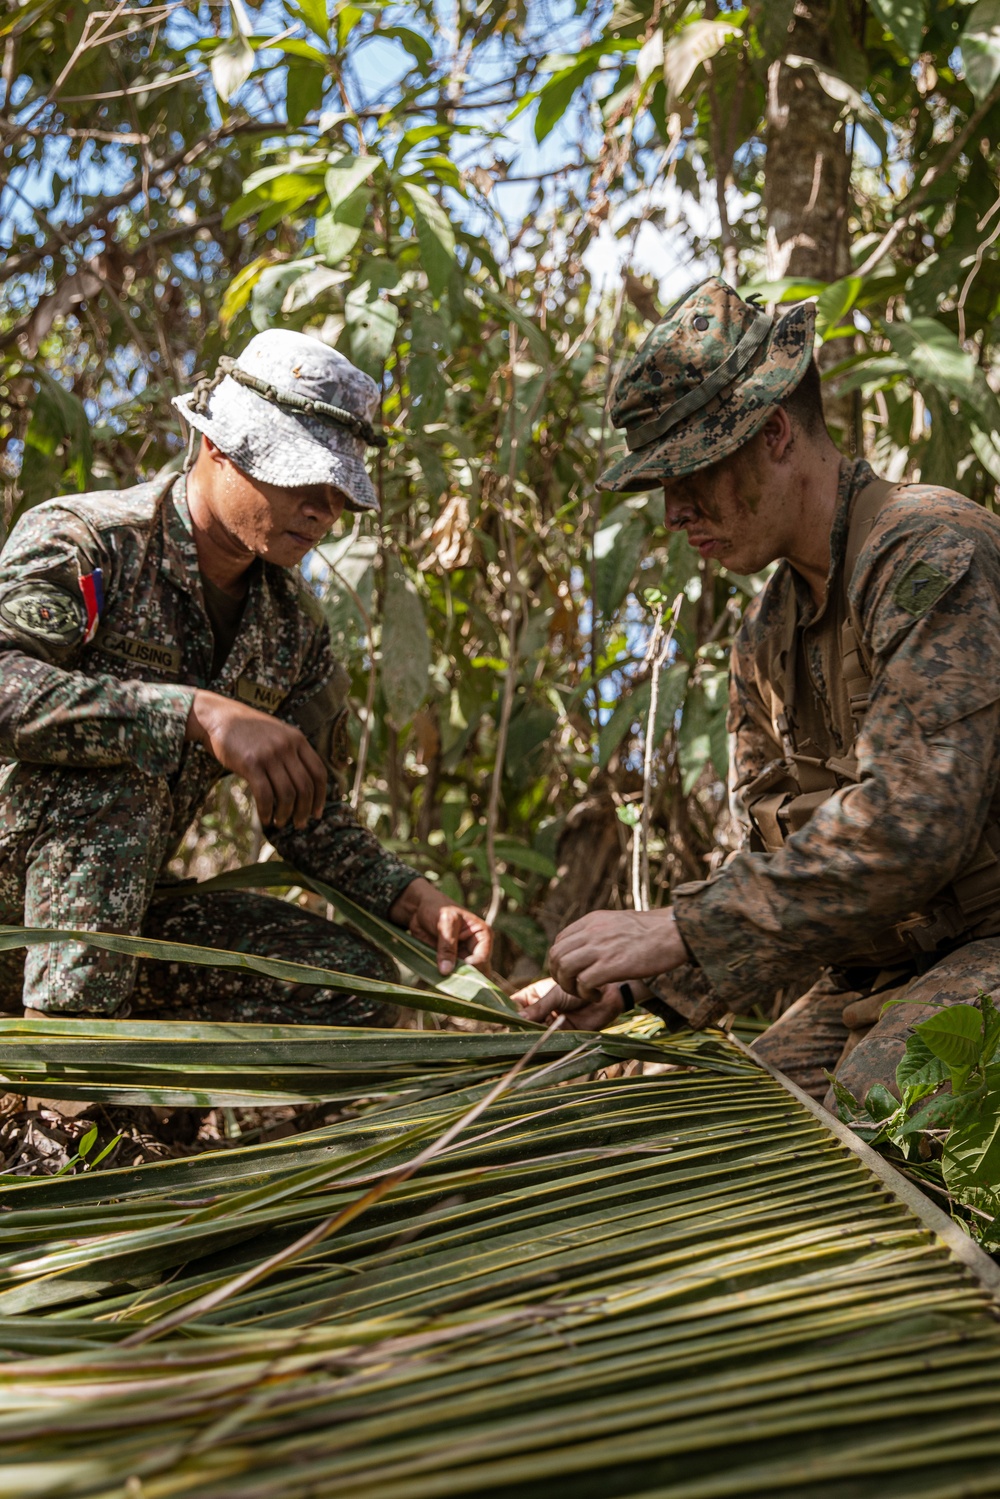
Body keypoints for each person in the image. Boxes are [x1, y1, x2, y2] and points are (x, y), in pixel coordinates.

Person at [516, 277, 1000, 1109]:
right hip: (880, 971)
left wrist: (678, 927)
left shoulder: (929, 552)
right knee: (711, 1127)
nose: (674, 512)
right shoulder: (766, 640)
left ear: (774, 433)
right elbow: (781, 875)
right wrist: (642, 985)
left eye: (691, 474)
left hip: (988, 946)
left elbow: (913, 823)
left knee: (867, 1127)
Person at [0, 330, 491, 1024]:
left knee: (353, 985)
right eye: (300, 477)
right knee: (122, 775)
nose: (323, 509)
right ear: (218, 446)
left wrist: (411, 897)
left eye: (339, 490)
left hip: (106, 927)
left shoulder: (292, 629)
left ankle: (137, 1076)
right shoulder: (88, 541)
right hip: (17, 905)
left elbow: (307, 811)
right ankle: (60, 1075)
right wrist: (192, 713)